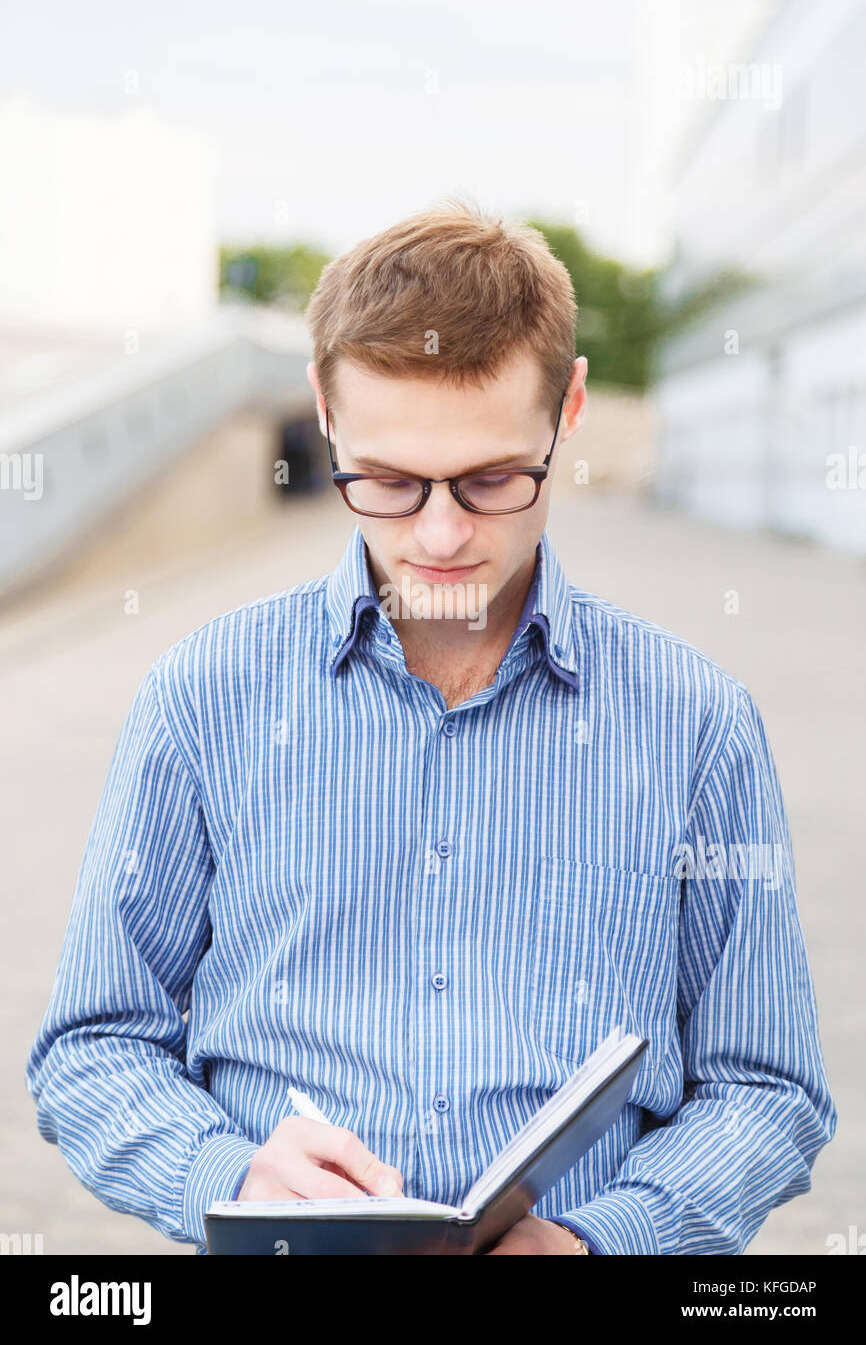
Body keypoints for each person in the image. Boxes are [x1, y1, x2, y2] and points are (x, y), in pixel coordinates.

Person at [26, 199, 836, 1256]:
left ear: (570, 407)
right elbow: (94, 1043)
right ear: (323, 409)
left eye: (495, 478)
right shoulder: (201, 697)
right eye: (391, 482)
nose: (443, 535)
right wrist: (227, 1176)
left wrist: (606, 1241)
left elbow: (764, 1086)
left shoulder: (697, 725)